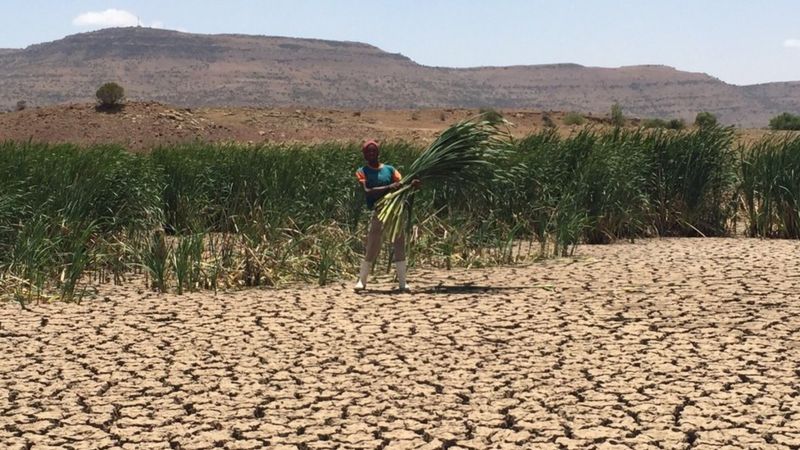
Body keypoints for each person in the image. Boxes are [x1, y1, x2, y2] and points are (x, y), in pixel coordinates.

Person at [354, 140, 420, 292]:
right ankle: (362, 280)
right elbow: (367, 191)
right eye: (368, 152)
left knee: (399, 243)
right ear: (364, 155)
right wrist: (388, 187)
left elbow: (401, 184)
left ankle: (403, 282)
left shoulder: (390, 170)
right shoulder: (362, 171)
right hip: (380, 211)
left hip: (394, 211)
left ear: (378, 152)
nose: (371, 154)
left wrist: (412, 184)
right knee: (373, 243)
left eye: (373, 151)